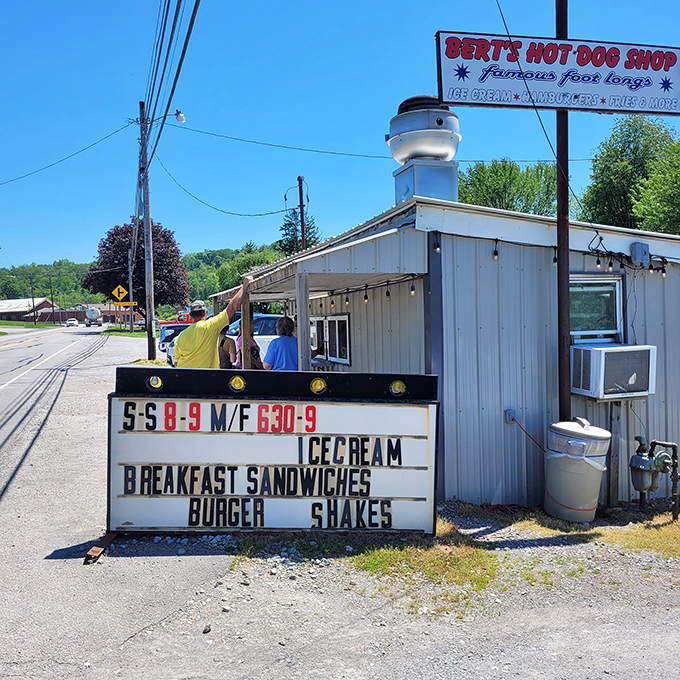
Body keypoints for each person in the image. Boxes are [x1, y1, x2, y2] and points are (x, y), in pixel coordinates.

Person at [174, 276, 252, 369]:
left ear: (190, 316)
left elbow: (176, 363)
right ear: (206, 313)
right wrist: (245, 285)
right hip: (207, 377)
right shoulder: (211, 326)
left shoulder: (181, 336)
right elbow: (232, 308)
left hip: (186, 377)